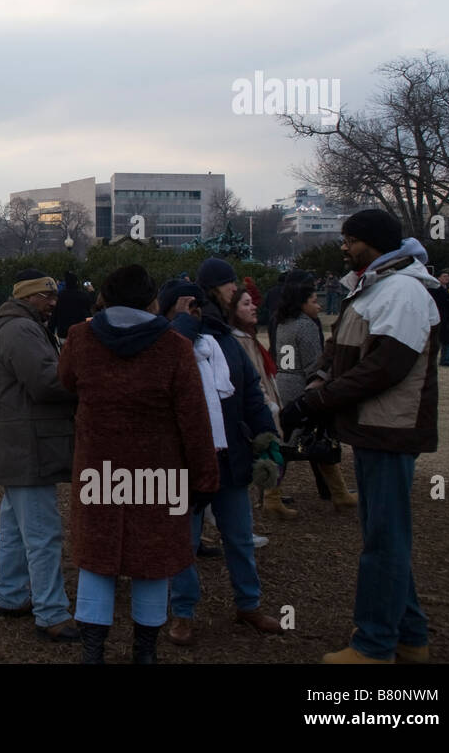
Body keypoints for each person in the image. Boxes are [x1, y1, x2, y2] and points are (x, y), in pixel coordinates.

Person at [279, 210, 441, 664]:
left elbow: (385, 366)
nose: (343, 248)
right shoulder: (373, 285)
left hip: (391, 429)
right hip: (374, 429)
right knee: (382, 536)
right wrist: (316, 383)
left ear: (370, 241)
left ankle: (374, 645)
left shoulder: (402, 291)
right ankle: (410, 636)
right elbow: (340, 350)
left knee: (383, 542)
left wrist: (317, 401)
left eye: (349, 240)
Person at [58, 265, 220, 663]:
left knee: (97, 560)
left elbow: (66, 382)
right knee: (154, 562)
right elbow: (194, 421)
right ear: (151, 300)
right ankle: (144, 653)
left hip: (100, 467)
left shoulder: (80, 339)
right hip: (158, 470)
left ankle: (92, 653)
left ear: (105, 298)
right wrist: (204, 480)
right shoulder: (175, 347)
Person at [166, 258, 283, 646]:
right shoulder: (171, 344)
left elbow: (251, 392)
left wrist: (266, 437)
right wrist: (183, 325)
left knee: (239, 535)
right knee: (185, 542)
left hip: (230, 457)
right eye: (230, 285)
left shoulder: (227, 342)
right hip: (186, 462)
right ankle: (182, 613)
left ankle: (248, 604)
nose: (238, 291)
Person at [0, 269, 80, 643]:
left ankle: (11, 594)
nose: (53, 302)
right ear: (27, 297)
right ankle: (51, 613)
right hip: (27, 441)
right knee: (42, 533)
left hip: (14, 438)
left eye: (54, 296)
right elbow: (46, 382)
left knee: (16, 528)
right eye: (45, 296)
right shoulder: (22, 330)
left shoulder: (15, 326)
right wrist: (87, 380)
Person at [274, 281, 356, 512]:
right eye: (313, 301)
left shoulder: (282, 323)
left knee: (286, 442)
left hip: (284, 381)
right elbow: (314, 364)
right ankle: (336, 492)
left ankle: (272, 494)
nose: (318, 306)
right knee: (317, 439)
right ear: (302, 304)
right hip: (302, 386)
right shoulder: (306, 326)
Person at [228, 284, 297, 520]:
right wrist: (270, 405)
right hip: (261, 406)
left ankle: (270, 496)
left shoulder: (251, 337)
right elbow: (253, 379)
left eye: (252, 302)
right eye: (246, 304)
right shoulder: (239, 341)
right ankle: (268, 499)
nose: (253, 307)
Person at [431, 270, 449, 366]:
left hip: (447, 317)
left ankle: (445, 359)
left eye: (447, 276)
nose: (447, 278)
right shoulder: (436, 289)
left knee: (445, 339)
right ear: (438, 278)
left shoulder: (446, 288)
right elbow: (441, 301)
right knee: (441, 339)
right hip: (440, 317)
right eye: (444, 276)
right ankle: (443, 360)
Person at [53, 271, 93, 340]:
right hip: (80, 333)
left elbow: (54, 314)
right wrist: (92, 292)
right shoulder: (83, 296)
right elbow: (90, 310)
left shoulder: (60, 296)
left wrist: (51, 329)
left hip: (63, 333)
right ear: (76, 282)